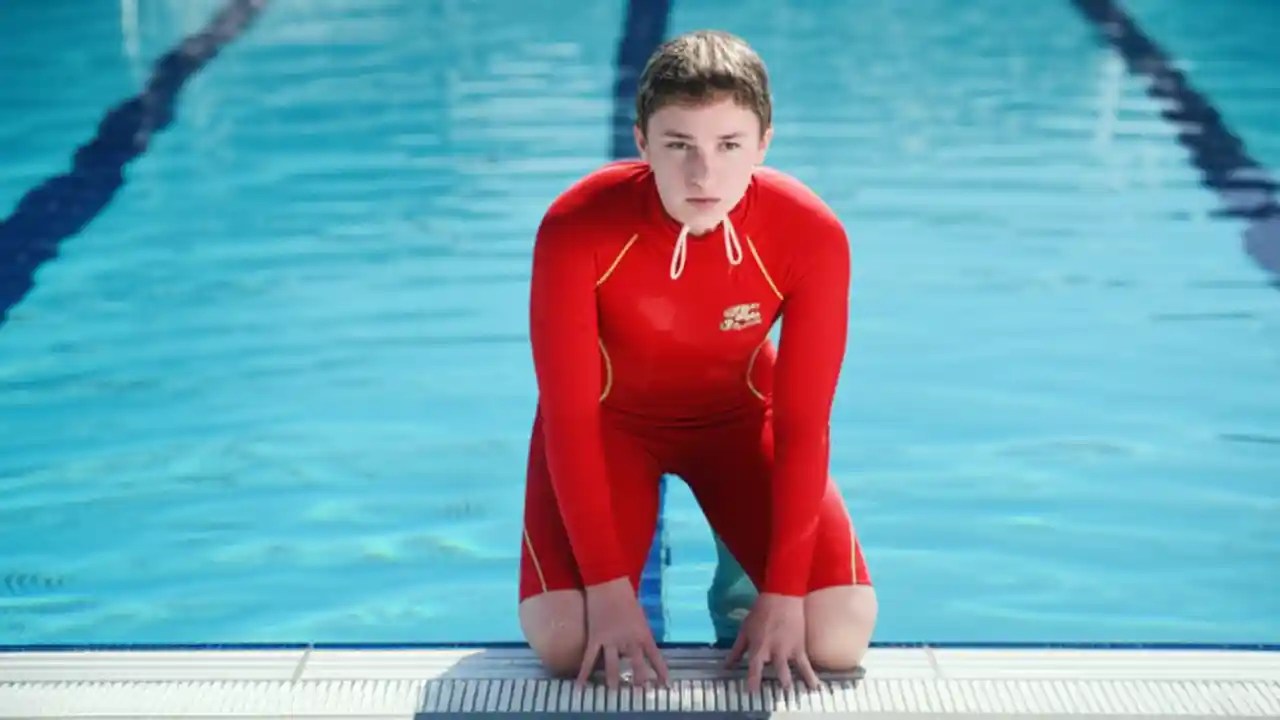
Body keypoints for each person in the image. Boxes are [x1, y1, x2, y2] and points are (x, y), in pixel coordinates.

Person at [517, 29, 877, 694]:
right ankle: (632, 561)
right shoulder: (577, 228)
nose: (703, 175)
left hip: (739, 425)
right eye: (679, 145)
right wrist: (608, 591)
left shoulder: (810, 234)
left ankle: (745, 580)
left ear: (763, 145)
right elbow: (568, 418)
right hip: (607, 430)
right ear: (641, 142)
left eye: (728, 145)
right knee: (568, 643)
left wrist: (786, 594)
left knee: (837, 635)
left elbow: (802, 425)